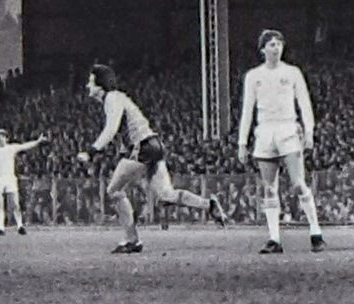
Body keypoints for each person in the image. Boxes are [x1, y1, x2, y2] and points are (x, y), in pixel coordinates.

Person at [78, 63, 228, 254]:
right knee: (166, 194)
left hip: (142, 147)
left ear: (100, 85)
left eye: (90, 82)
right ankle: (208, 204)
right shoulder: (118, 98)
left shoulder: (112, 98)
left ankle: (132, 240)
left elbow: (111, 128)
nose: (87, 86)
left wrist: (91, 151)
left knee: (114, 190)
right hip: (153, 144)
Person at [236, 30, 325, 253]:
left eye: (278, 44)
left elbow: (305, 103)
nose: (276, 48)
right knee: (269, 187)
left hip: (287, 128)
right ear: (263, 49)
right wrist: (242, 142)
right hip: (265, 131)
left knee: (298, 183)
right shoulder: (253, 76)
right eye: (271, 44)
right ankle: (274, 238)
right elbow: (247, 109)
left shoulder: (293, 73)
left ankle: (315, 232)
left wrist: (309, 130)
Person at [0, 127, 47, 235]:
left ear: (6, 138)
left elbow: (25, 146)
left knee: (15, 204)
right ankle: (1, 227)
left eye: (2, 136)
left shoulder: (11, 148)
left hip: (10, 179)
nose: (0, 139)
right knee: (0, 205)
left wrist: (37, 141)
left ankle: (20, 226)